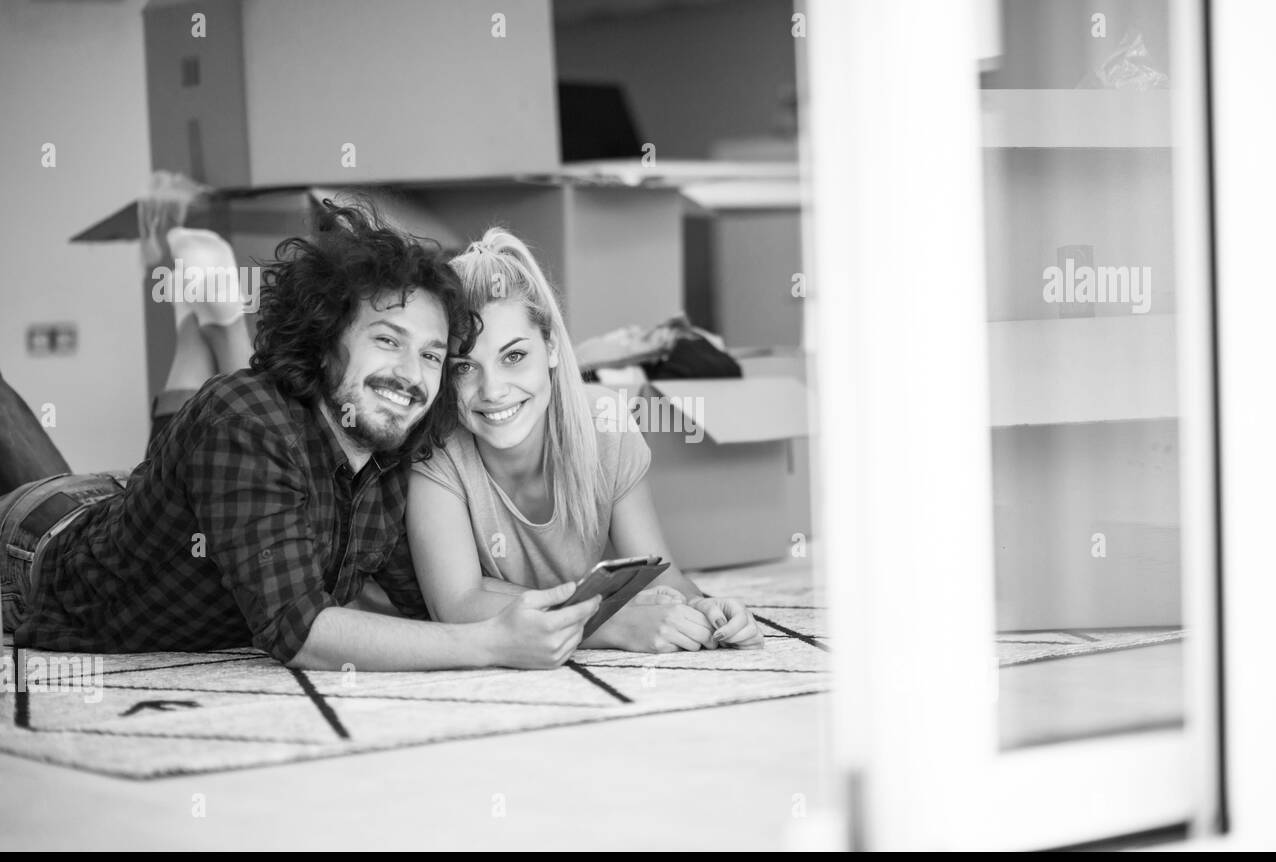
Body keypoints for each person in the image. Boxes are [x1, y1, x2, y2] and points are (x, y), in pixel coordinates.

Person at [0, 204, 600, 671]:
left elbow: (435, 598)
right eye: (387, 340)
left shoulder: (391, 445)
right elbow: (301, 631)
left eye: (433, 355)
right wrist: (492, 645)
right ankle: (210, 323)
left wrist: (580, 612)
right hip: (41, 542)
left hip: (161, 503)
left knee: (172, 473)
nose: (412, 376)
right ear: (325, 337)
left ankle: (200, 328)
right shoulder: (245, 421)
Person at [406, 227, 764, 652]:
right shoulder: (437, 450)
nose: (493, 390)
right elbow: (458, 602)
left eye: (514, 356)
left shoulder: (605, 421)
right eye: (465, 367)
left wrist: (705, 608)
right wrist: (608, 622)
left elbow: (660, 572)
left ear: (553, 347)